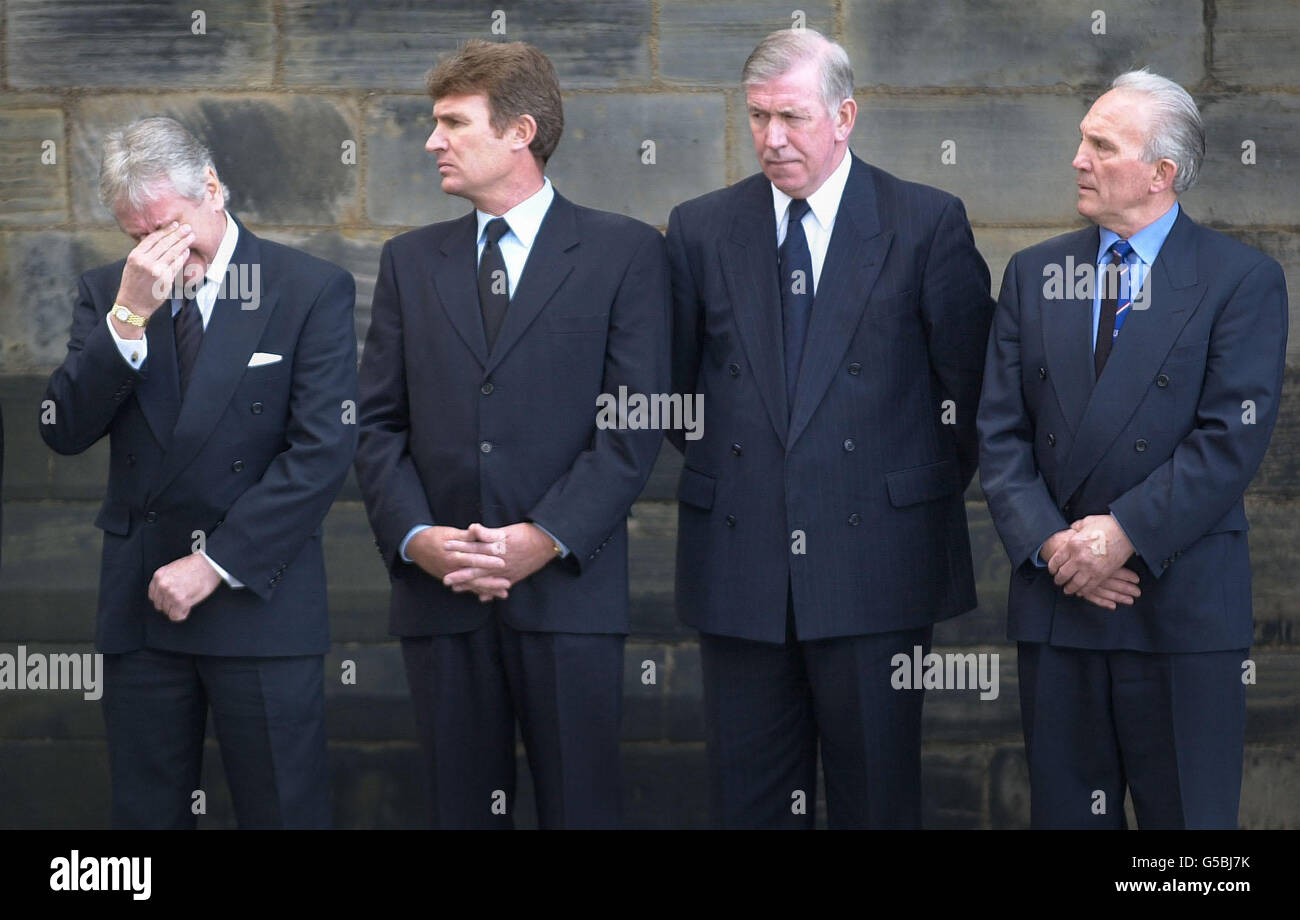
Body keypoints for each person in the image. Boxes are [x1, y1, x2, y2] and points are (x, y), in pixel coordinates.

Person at [666, 29, 994, 828]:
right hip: (741, 563)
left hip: (878, 560)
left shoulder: (925, 222)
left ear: (844, 116)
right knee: (748, 804)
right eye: (757, 118)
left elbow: (972, 393)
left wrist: (884, 488)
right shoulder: (701, 228)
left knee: (876, 800)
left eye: (792, 117)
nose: (772, 139)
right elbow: (678, 396)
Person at [354, 40, 670, 829]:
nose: (433, 142)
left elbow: (633, 424)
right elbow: (378, 424)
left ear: (520, 132)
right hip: (441, 594)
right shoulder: (408, 261)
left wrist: (545, 536)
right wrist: (418, 537)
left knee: (582, 809)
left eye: (453, 123)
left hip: (568, 594)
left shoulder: (624, 252)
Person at [977, 70, 1288, 828]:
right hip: (1059, 603)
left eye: (1100, 145)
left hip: (1176, 607)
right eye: (1082, 139)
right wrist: (1057, 547)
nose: (1077, 158)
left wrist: (1121, 536)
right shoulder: (1033, 274)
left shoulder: (1239, 280)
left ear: (1161, 173)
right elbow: (999, 431)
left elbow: (1229, 438)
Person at [41, 116, 358, 828]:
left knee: (284, 811)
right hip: (142, 606)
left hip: (260, 598)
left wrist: (213, 564)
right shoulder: (111, 293)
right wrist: (129, 318)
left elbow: (321, 451)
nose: (155, 252)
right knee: (145, 818)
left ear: (211, 188)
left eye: (169, 227)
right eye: (135, 236)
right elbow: (62, 430)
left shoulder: (309, 288)